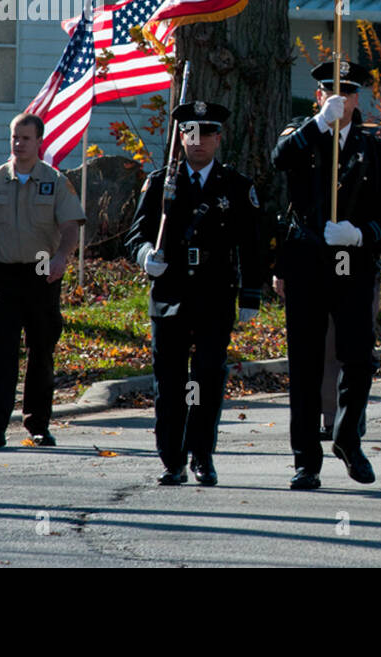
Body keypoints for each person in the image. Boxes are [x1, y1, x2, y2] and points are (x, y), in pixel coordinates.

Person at [271, 60, 381, 490]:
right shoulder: (301, 137)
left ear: (358, 100)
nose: (340, 99)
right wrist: (316, 125)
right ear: (320, 97)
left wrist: (363, 237)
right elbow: (278, 160)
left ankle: (347, 435)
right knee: (305, 365)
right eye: (331, 91)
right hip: (307, 262)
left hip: (355, 264)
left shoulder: (373, 148)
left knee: (359, 357)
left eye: (349, 93)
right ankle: (306, 460)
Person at [127, 100, 263, 485]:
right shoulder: (160, 184)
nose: (197, 141)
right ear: (180, 138)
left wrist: (250, 295)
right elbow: (137, 234)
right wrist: (144, 256)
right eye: (190, 133)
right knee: (169, 382)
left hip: (214, 296)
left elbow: (251, 245)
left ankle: (202, 454)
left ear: (218, 138)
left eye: (206, 133)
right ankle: (171, 459)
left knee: (204, 380)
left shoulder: (236, 187)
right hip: (169, 296)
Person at [0, 113, 84, 449]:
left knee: (41, 348)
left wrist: (61, 258)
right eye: (15, 137)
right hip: (3, 272)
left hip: (43, 268)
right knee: (1, 348)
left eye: (26, 138)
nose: (19, 144)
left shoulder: (55, 181)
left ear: (39, 141)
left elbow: (71, 226)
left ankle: (38, 423)